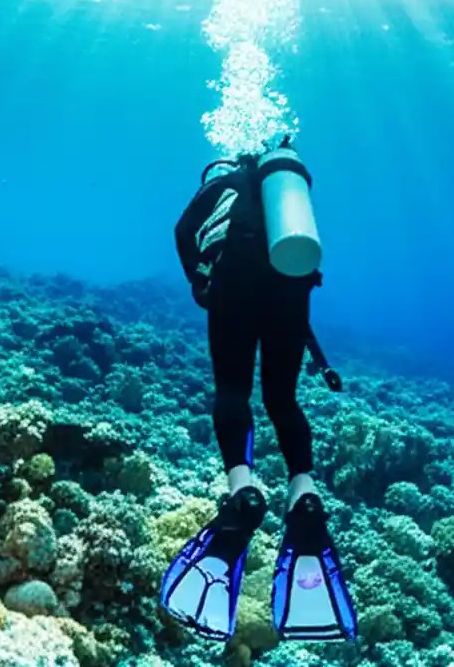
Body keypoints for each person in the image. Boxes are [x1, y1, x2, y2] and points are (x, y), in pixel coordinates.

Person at [159, 139, 357, 642]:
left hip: (234, 280)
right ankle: (303, 492)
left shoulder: (221, 185)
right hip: (290, 285)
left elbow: (183, 231)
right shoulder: (284, 198)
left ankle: (243, 490)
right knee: (282, 400)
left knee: (232, 389)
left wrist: (199, 279)